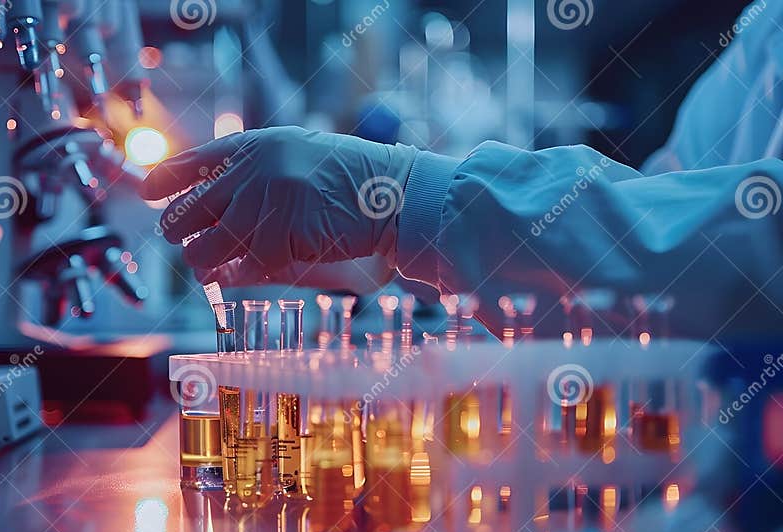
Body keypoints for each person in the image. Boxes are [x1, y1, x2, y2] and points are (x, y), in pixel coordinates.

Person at [141, 0, 783, 340]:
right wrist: (397, 259)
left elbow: (750, 252)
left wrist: (407, 205)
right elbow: (640, 281)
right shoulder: (765, 32)